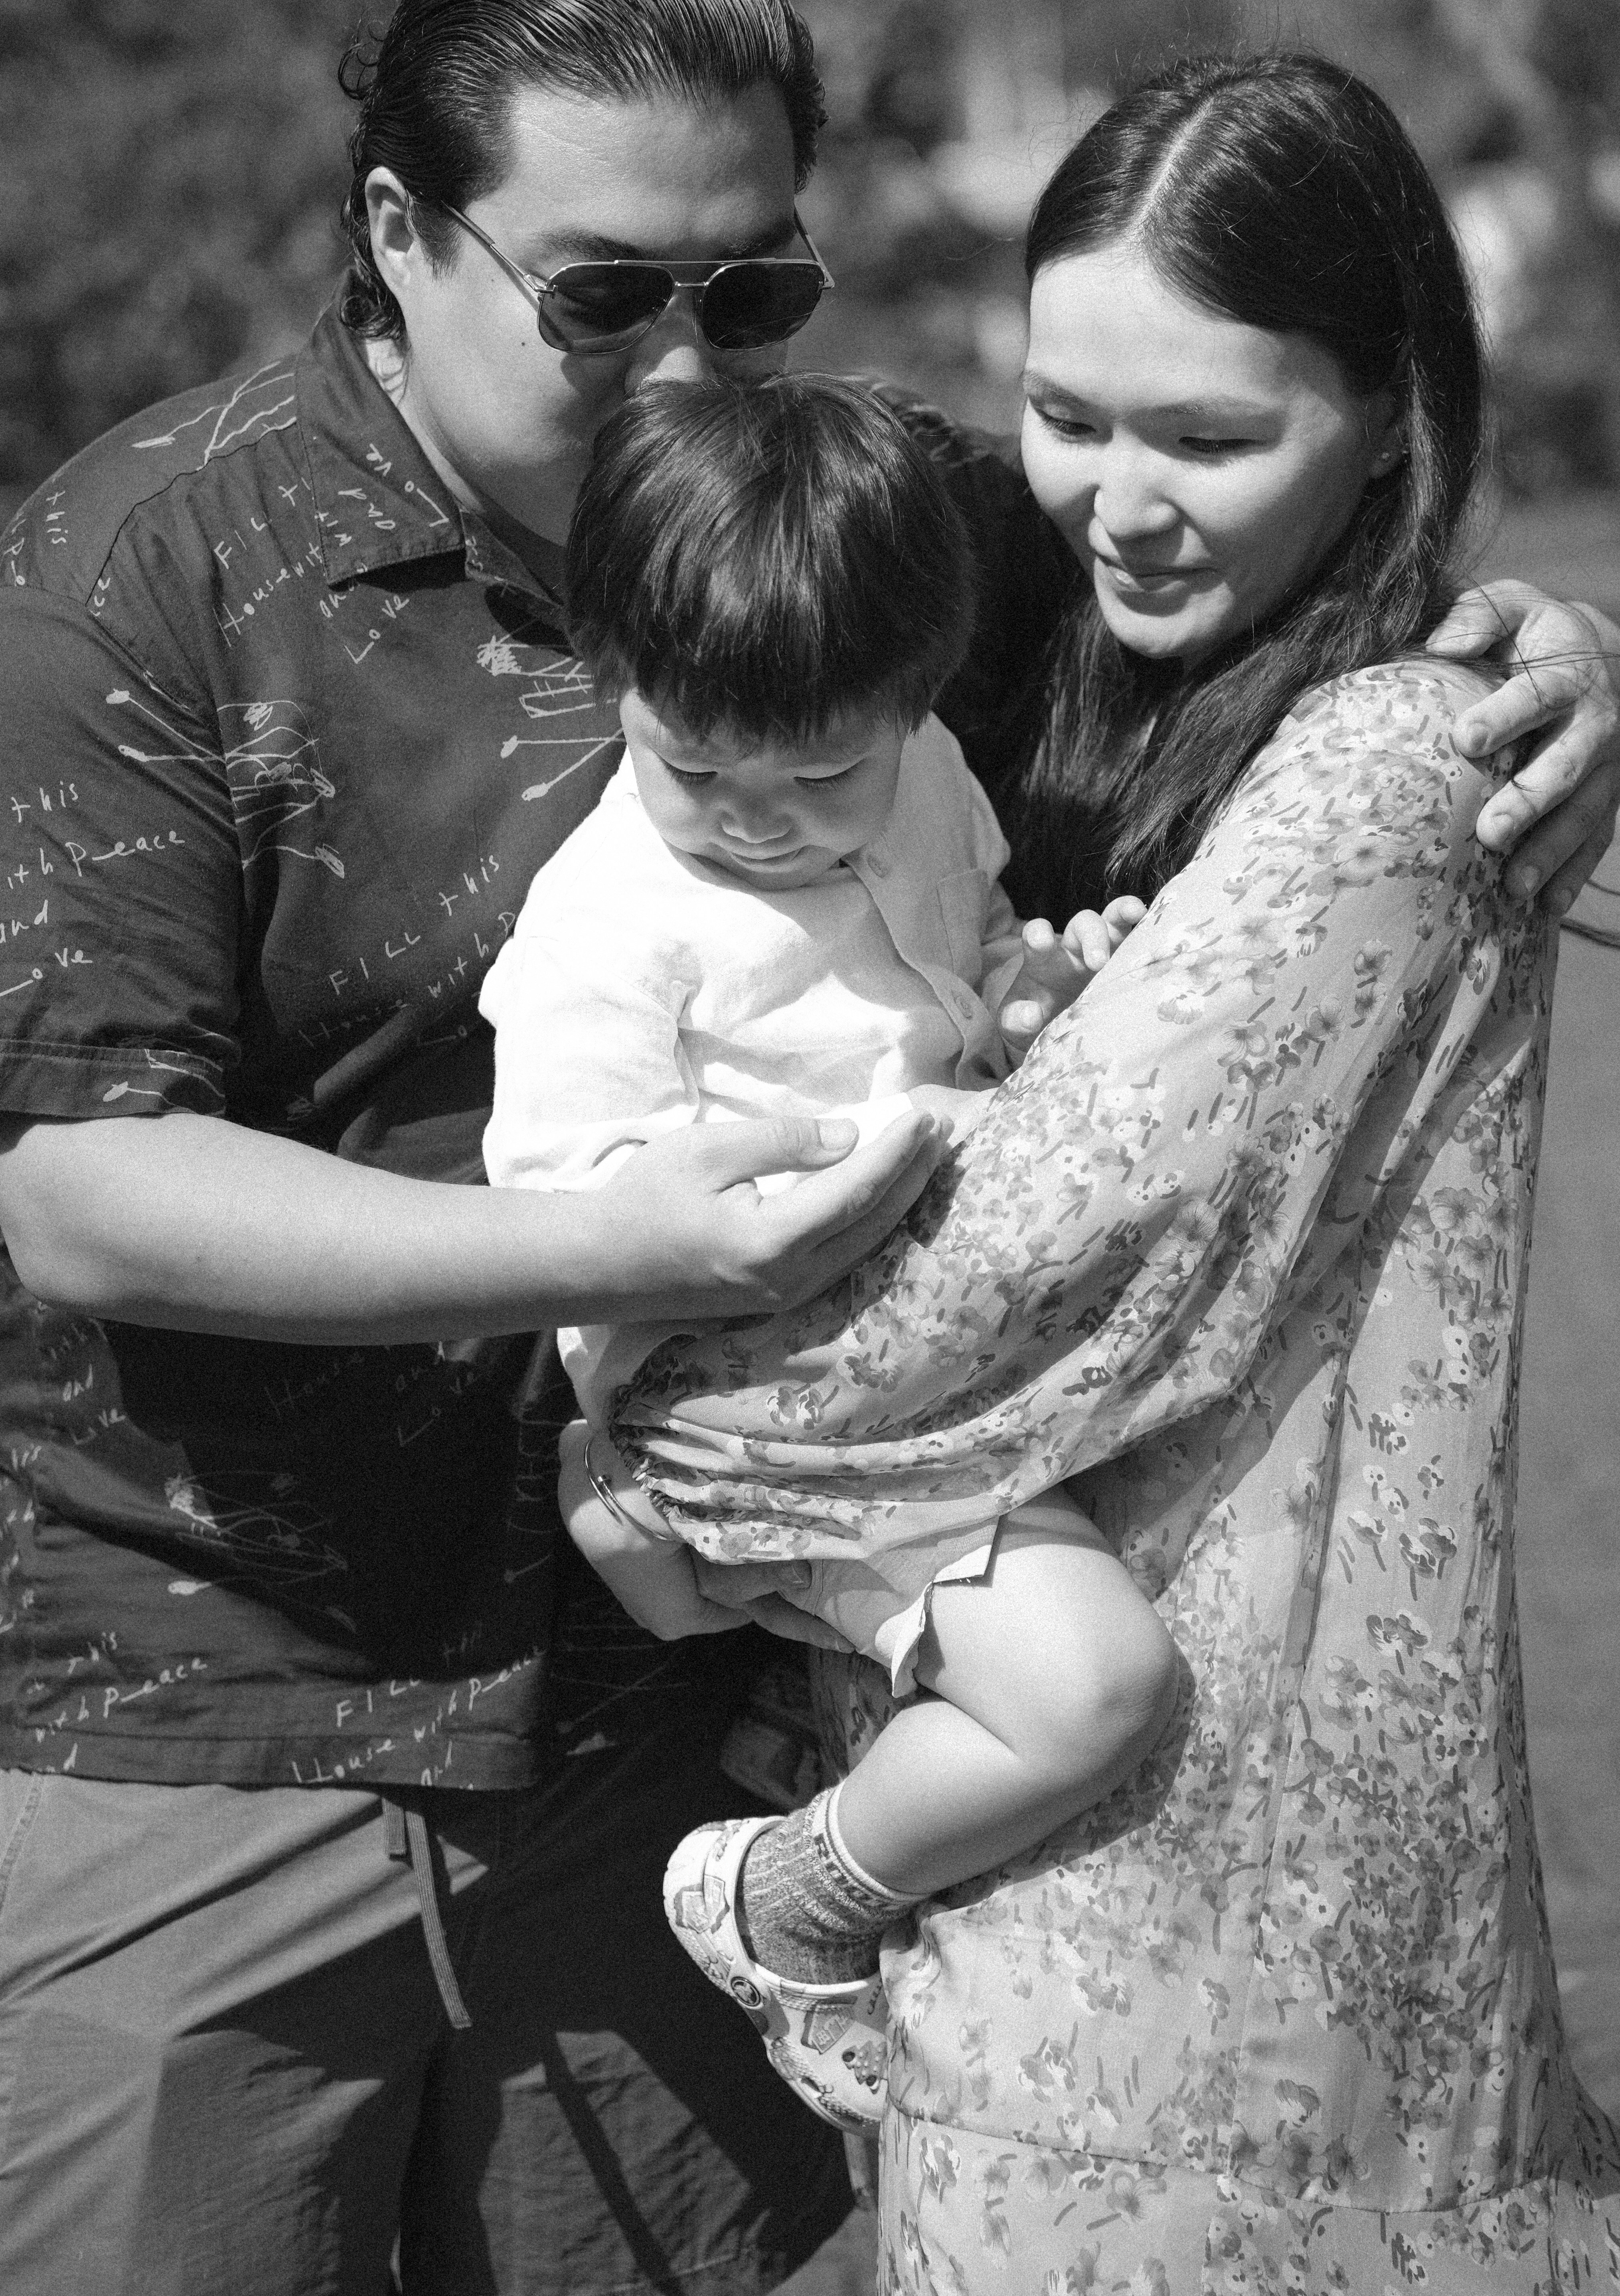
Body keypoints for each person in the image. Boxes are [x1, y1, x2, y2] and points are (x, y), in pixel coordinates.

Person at [0, 0, 1620, 2296]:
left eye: (758, 290)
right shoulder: (142, 570)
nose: (692, 363)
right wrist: (638, 1252)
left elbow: (1223, 562)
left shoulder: (881, 520)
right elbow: (81, 1189)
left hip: (679, 1744)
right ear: (400, 233)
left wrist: (1526, 636)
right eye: (608, 297)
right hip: (222, 1728)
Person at [611, 52, 1620, 2288]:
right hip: (1077, 1893)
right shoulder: (1047, 661)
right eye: (1073, 412)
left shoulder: (1387, 755)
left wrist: (638, 1400)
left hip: (1193, 1924)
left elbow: (1024, 1267)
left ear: (1390, 410)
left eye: (1211, 436)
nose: (1118, 501)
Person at [481, 371, 1173, 2127]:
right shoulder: (603, 927)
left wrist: (1025, 990)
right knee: (1094, 1685)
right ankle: (791, 1897)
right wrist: (894, 1148)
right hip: (762, 1376)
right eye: (694, 767)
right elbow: (560, 1208)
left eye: (821, 774)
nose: (759, 820)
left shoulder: (929, 774)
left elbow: (970, 953)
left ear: (918, 698)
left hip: (924, 1327)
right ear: (611, 679)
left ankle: (773, 1650)